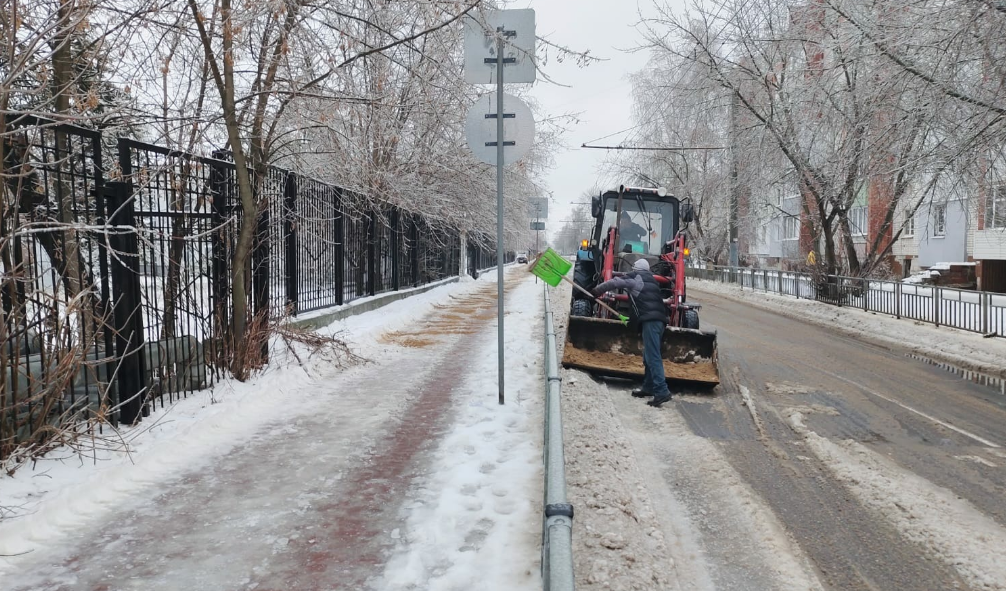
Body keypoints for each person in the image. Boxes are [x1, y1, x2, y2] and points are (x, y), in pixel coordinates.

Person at [591, 258, 673, 407]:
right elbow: (645, 304)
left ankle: (662, 391)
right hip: (659, 321)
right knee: (648, 355)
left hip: (651, 322)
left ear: (635, 269)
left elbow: (614, 282)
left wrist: (597, 290)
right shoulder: (653, 281)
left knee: (653, 356)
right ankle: (648, 387)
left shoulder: (634, 278)